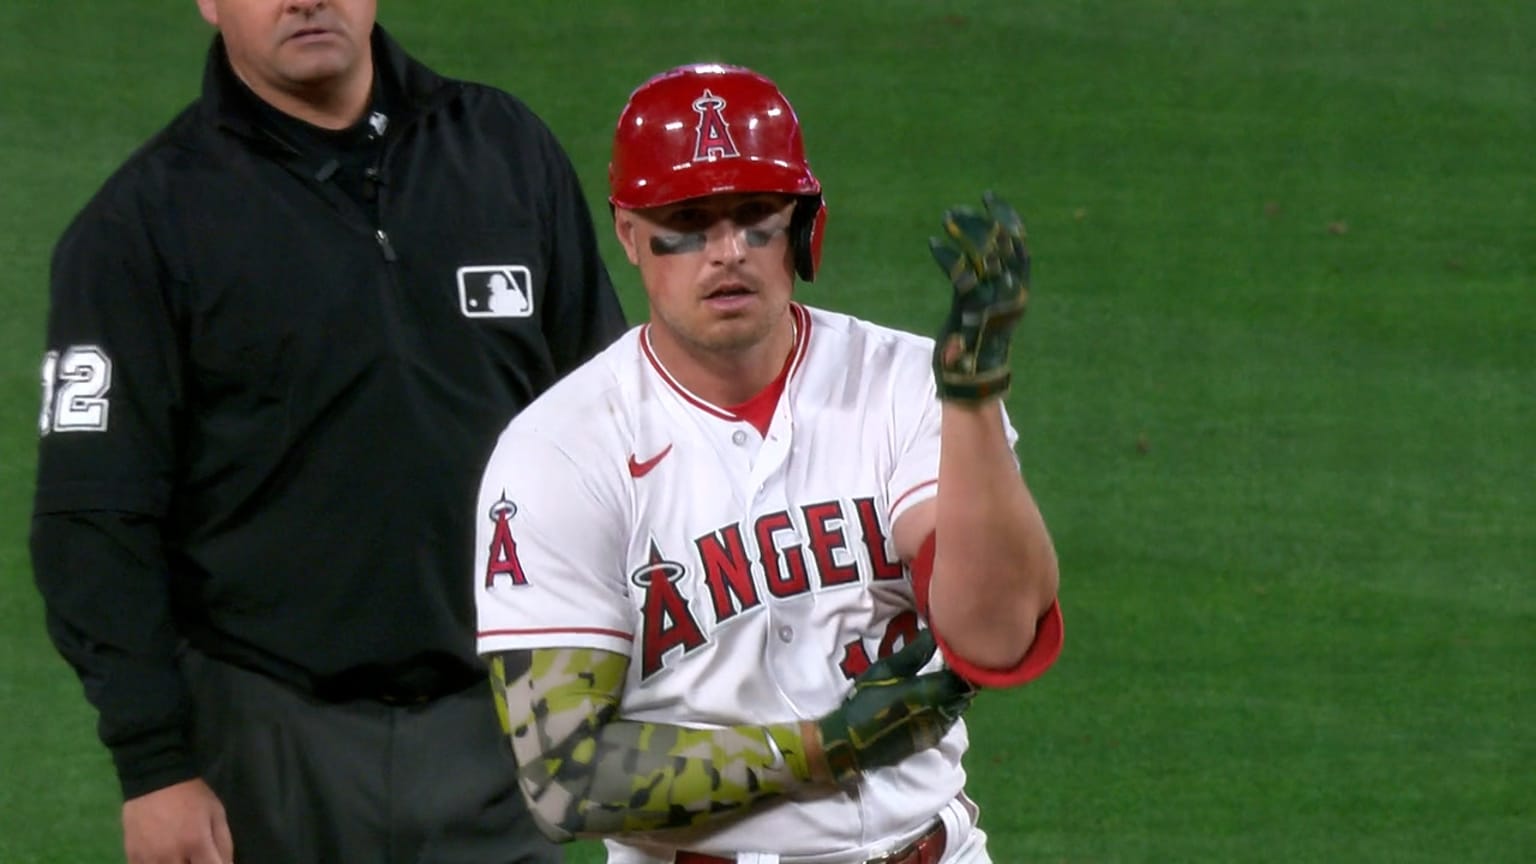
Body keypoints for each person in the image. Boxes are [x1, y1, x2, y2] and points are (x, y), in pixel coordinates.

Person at [29, 1, 626, 862]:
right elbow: (91, 518)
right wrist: (155, 766)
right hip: (268, 741)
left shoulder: (502, 150)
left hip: (502, 725)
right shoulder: (140, 225)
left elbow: (608, 421)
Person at [472, 63, 1064, 864]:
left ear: (803, 225)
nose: (726, 252)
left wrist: (972, 396)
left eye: (756, 217)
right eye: (688, 220)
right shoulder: (560, 452)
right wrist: (821, 750)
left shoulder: (903, 385)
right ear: (629, 232)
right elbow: (565, 778)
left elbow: (993, 635)